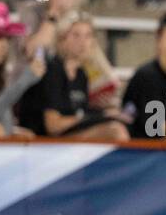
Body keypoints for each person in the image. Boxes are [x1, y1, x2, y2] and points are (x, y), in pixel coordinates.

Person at [17, 12, 129, 141]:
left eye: (88, 36)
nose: (83, 42)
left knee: (118, 124)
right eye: (76, 35)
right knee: (115, 131)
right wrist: (98, 117)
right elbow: (53, 126)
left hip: (66, 139)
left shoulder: (81, 75)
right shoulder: (52, 70)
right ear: (62, 39)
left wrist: (102, 111)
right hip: (41, 142)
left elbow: (77, 115)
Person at [0, 0, 43, 136]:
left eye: (6, 39)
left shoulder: (0, 72)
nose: (4, 45)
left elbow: (1, 115)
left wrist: (13, 131)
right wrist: (24, 80)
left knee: (27, 135)